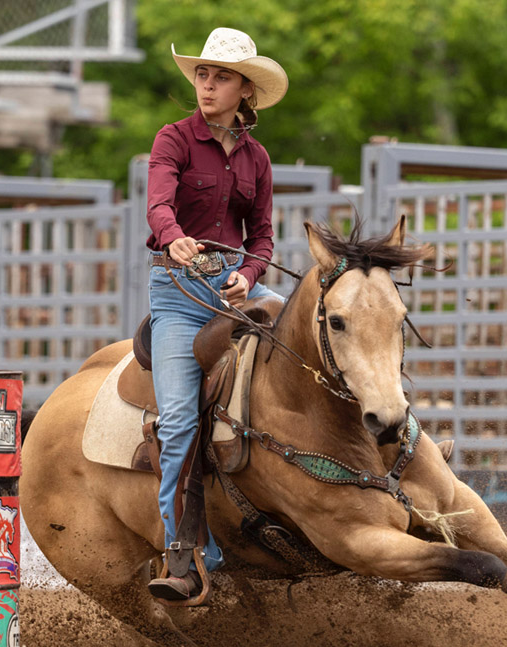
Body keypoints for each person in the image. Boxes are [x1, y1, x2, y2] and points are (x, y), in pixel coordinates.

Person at [143, 27, 289, 602]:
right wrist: (173, 236)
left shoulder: (258, 158)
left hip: (236, 296)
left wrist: (248, 276)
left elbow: (265, 238)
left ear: (244, 89)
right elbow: (157, 201)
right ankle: (180, 555)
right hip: (178, 294)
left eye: (220, 76)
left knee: (314, 352)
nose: (207, 84)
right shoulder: (173, 139)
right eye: (202, 74)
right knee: (179, 421)